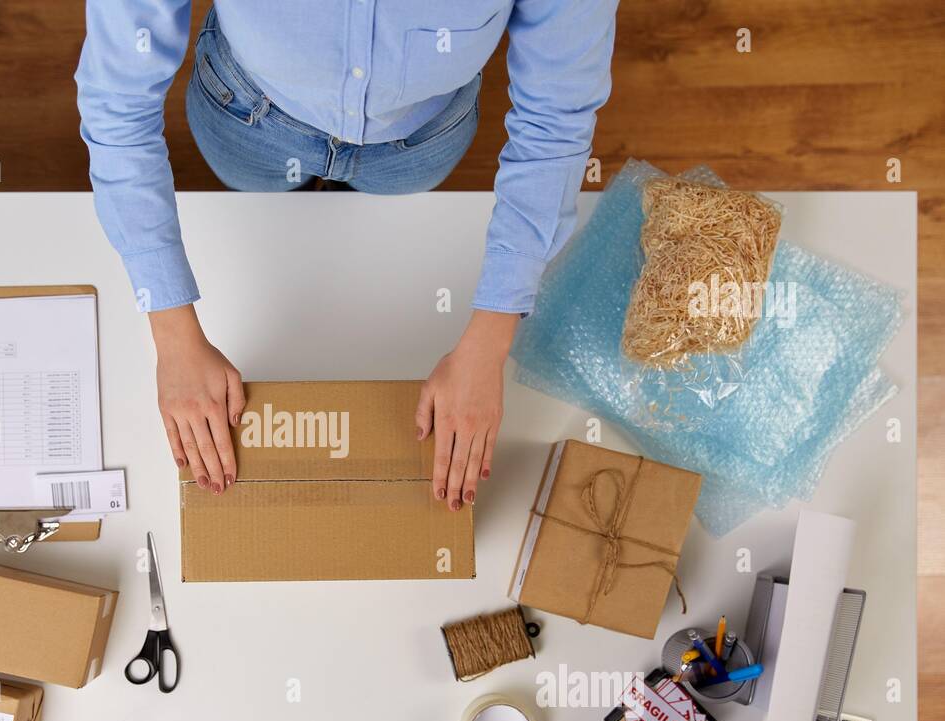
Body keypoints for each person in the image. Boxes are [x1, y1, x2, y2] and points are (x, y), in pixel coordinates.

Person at [77, 1, 616, 511]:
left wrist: (490, 342)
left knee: (370, 234)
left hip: (418, 141)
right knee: (262, 205)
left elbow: (555, 119)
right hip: (250, 120)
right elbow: (118, 101)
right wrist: (173, 337)